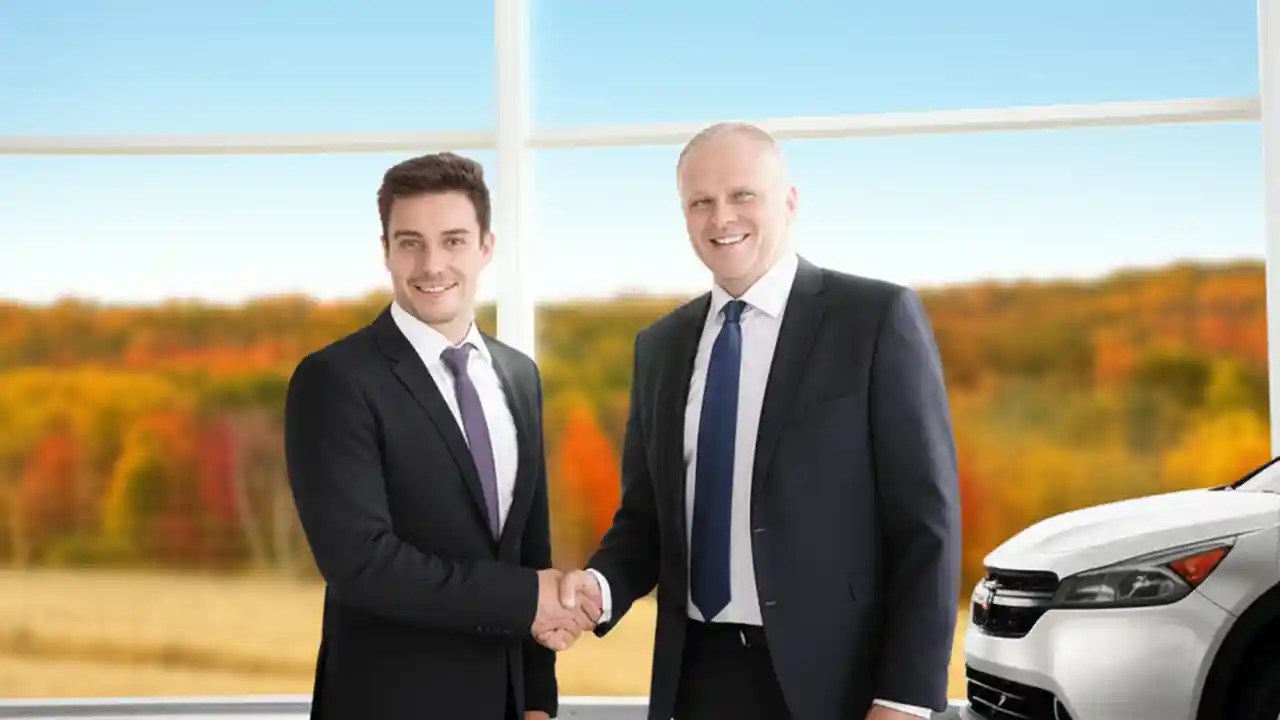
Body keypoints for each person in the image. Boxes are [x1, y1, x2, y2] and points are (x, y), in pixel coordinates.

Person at [552, 123, 961, 720]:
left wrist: (905, 699)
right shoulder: (660, 346)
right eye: (701, 202)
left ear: (789, 201)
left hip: (836, 685)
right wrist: (600, 587)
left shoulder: (873, 320)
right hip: (696, 679)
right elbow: (645, 523)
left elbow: (927, 525)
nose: (721, 218)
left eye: (742, 195)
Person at [285, 152, 596, 719]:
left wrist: (537, 699)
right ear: (385, 250)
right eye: (411, 243)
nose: (432, 265)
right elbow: (363, 565)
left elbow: (529, 546)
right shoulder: (334, 379)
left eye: (453, 241)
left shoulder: (520, 376)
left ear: (486, 247)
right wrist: (529, 597)